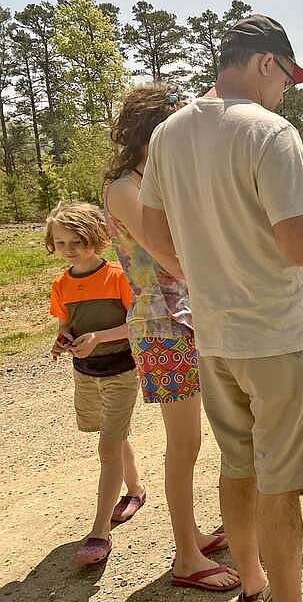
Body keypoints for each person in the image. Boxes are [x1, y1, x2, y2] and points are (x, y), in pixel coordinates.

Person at [139, 14, 303, 602]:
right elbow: (300, 245)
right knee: (281, 484)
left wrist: (204, 279)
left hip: (215, 336)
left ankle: (251, 581)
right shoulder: (271, 133)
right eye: (285, 80)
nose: (285, 93)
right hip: (277, 337)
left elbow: (152, 231)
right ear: (264, 63)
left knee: (238, 464)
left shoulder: (168, 134)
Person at [103, 84, 240, 593]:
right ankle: (185, 556)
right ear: (153, 131)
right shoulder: (124, 187)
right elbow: (168, 254)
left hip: (185, 315)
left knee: (194, 440)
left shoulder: (154, 179)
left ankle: (194, 535)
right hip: (161, 323)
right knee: (184, 443)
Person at [45, 202, 145, 567]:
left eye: (77, 241)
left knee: (107, 448)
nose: (69, 249)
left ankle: (99, 532)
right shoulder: (61, 283)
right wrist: (63, 339)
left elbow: (138, 324)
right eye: (60, 242)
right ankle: (135, 489)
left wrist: (99, 338)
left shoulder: (118, 276)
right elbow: (64, 324)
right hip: (85, 373)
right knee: (110, 433)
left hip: (121, 372)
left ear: (96, 239)